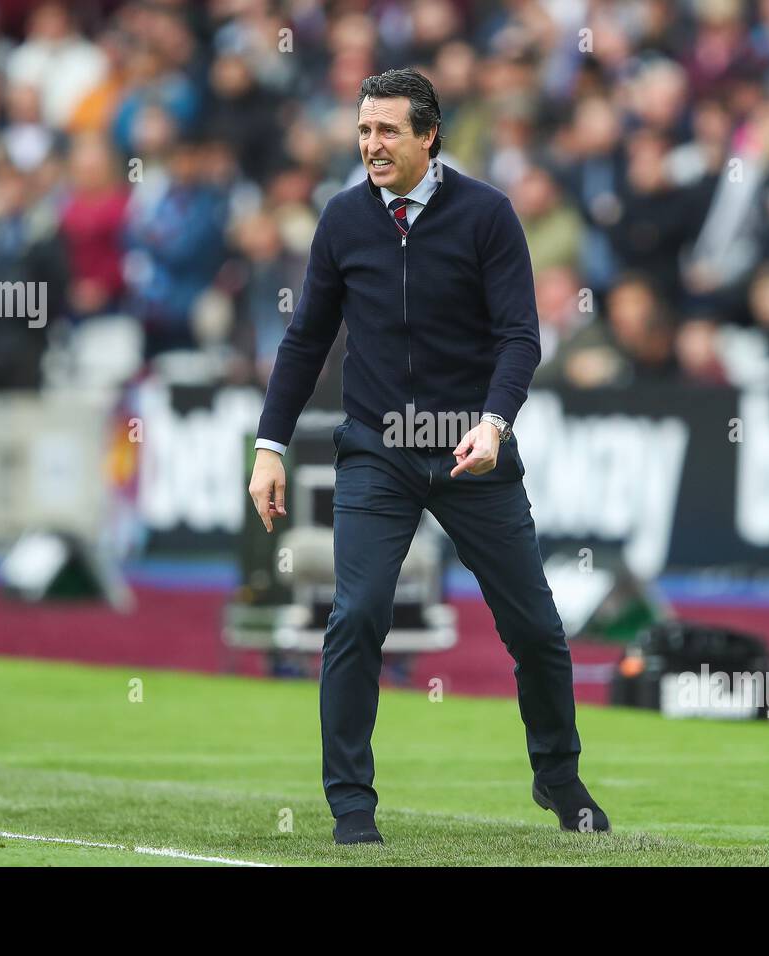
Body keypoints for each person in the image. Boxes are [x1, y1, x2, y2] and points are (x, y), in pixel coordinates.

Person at [247, 68, 607, 844]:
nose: (371, 144)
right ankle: (351, 807)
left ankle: (559, 778)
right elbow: (307, 337)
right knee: (358, 615)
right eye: (364, 129)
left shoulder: (488, 216)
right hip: (376, 449)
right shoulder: (342, 220)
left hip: (471, 450)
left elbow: (520, 336)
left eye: (387, 131)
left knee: (537, 629)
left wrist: (494, 423)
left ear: (429, 135)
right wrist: (270, 445)